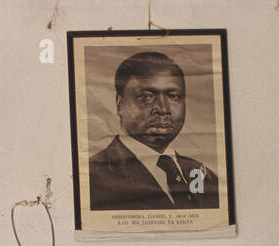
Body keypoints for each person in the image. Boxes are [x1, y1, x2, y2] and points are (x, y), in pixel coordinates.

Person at [88, 51, 220, 211]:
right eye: (146, 97)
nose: (163, 109)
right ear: (119, 104)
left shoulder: (202, 175)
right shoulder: (93, 178)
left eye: (174, 97)